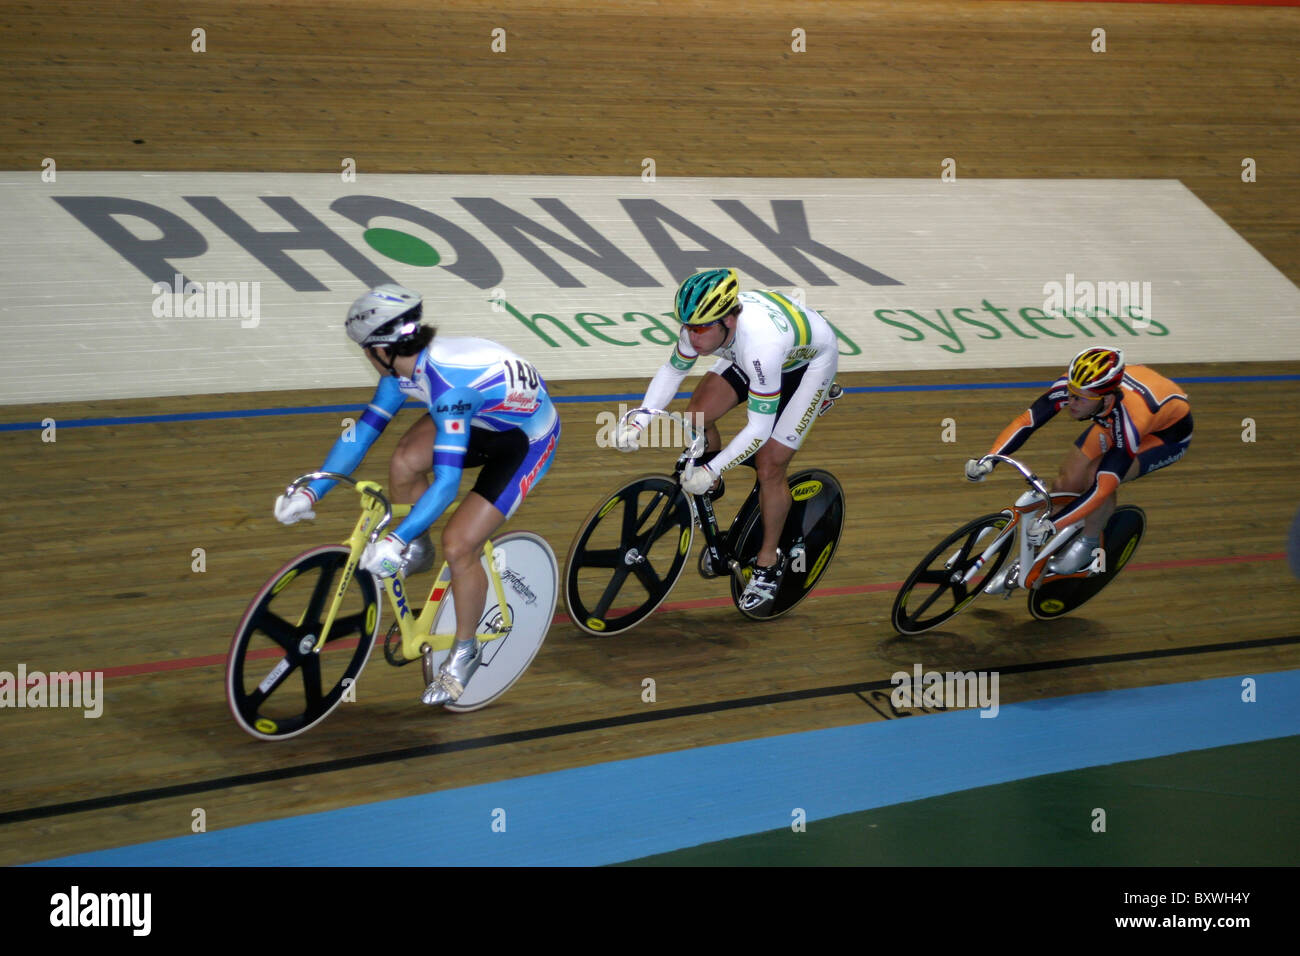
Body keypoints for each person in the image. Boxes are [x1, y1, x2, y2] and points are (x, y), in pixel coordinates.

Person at [273, 284, 560, 704]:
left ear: (383, 349)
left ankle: (466, 650)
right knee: (404, 460)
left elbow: (447, 485)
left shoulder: (448, 387)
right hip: (479, 417)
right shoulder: (402, 371)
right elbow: (363, 432)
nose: (366, 357)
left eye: (365, 349)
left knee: (459, 545)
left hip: (524, 441)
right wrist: (312, 491)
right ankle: (418, 550)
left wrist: (394, 538)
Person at [615, 268, 839, 614]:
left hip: (807, 365)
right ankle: (713, 481)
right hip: (756, 351)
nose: (693, 336)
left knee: (770, 465)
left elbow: (758, 429)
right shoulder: (702, 326)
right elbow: (674, 370)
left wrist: (711, 467)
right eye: (687, 326)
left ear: (728, 321)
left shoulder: (759, 345)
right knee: (696, 418)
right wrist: (642, 417)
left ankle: (768, 562)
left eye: (701, 328)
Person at [966, 346, 1191, 588]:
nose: (1070, 402)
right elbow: (1028, 421)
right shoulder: (1080, 389)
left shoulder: (1131, 421)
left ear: (1105, 397)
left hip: (1165, 436)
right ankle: (1030, 560)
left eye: (1079, 398)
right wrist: (991, 458)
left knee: (1097, 474)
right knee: (1066, 483)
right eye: (1070, 393)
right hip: (1111, 417)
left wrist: (1053, 524)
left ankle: (1088, 544)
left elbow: (1103, 487)